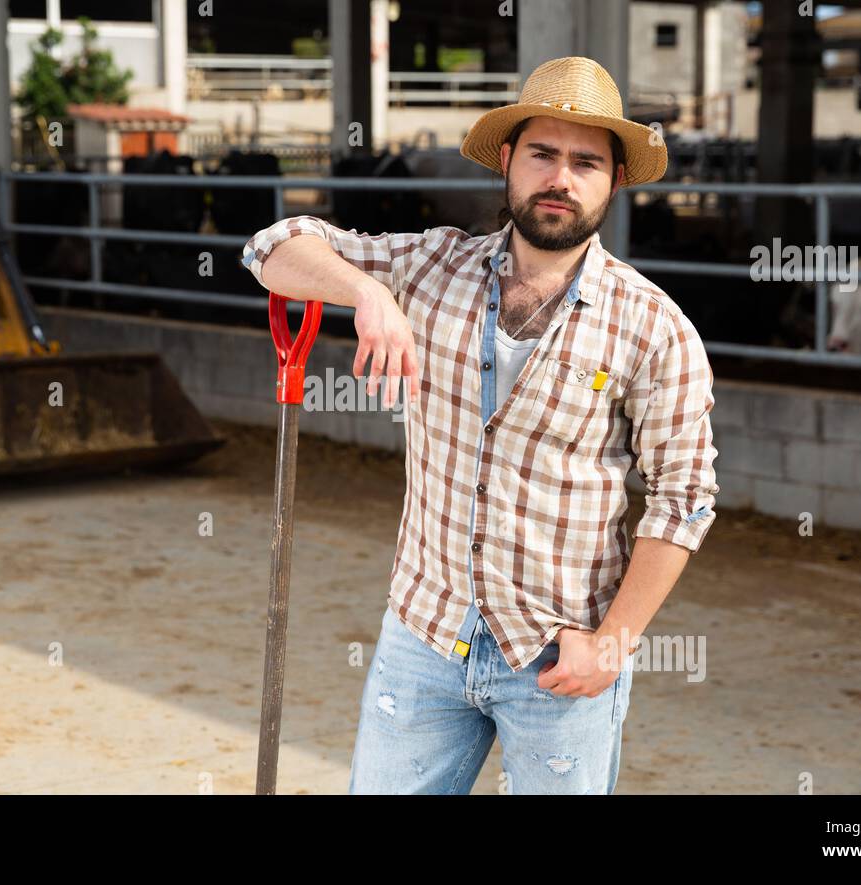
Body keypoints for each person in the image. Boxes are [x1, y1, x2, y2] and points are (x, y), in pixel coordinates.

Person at [240, 56, 719, 795]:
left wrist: (613, 644)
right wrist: (365, 290)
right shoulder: (433, 265)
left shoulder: (655, 326)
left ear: (615, 181)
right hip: (425, 635)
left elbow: (684, 495)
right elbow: (271, 249)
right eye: (543, 154)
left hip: (558, 656)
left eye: (586, 162)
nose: (561, 177)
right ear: (508, 161)